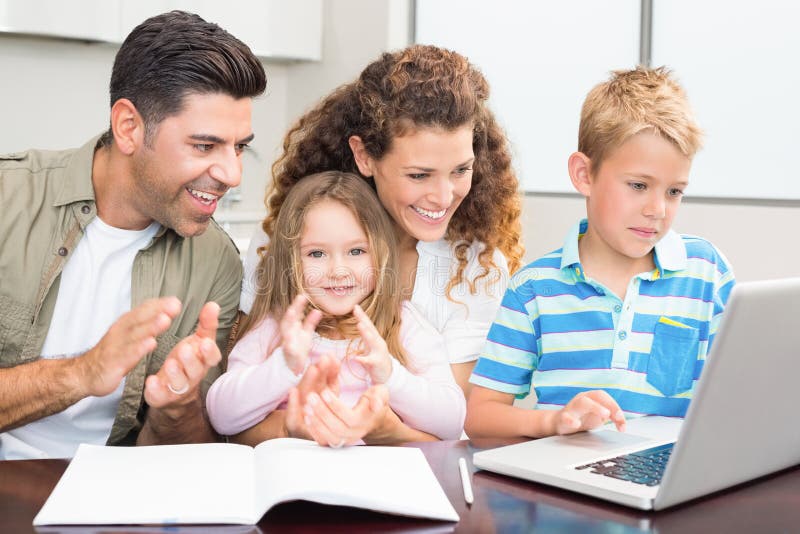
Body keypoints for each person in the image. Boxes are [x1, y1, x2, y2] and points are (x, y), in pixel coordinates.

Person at [0, 10, 267, 459]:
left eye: (239, 147)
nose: (232, 173)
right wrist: (83, 373)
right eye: (205, 145)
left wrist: (177, 408)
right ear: (129, 127)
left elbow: (177, 455)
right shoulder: (9, 199)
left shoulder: (214, 259)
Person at [235, 44, 523, 446]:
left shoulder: (477, 268)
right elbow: (232, 418)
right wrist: (294, 427)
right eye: (420, 175)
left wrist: (390, 432)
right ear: (364, 156)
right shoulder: (287, 242)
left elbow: (457, 426)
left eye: (461, 170)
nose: (443, 197)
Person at [465, 66, 736, 439]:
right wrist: (554, 421)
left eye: (674, 191)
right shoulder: (533, 289)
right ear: (584, 174)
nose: (657, 208)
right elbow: (480, 420)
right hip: (568, 482)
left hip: (670, 483)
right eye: (639, 185)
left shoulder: (706, 273)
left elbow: (744, 392)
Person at [207, 171, 465, 446]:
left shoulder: (403, 324)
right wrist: (283, 364)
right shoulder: (278, 328)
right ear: (290, 261)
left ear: (381, 254)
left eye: (356, 251)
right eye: (316, 254)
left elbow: (452, 423)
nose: (338, 271)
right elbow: (221, 416)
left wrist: (391, 375)